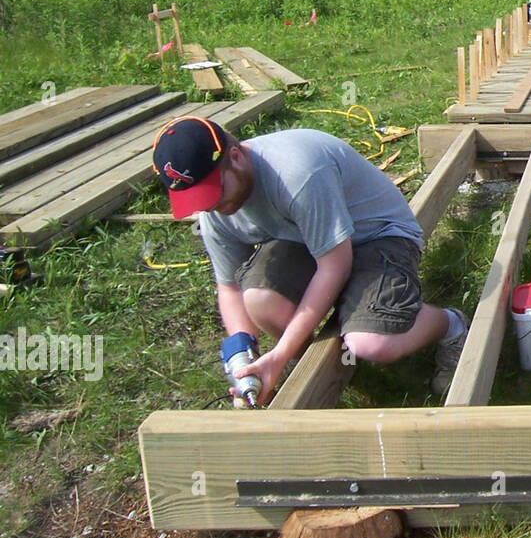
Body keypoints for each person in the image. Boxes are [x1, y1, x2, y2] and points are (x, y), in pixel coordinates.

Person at [151, 116, 469, 406]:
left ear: (234, 157)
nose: (211, 207)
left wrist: (279, 353)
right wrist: (243, 354)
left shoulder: (296, 173)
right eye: (198, 200)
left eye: (213, 193)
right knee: (260, 300)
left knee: (372, 345)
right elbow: (230, 288)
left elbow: (335, 265)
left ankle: (450, 325)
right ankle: (319, 368)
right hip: (309, 242)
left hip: (377, 236)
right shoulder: (213, 210)